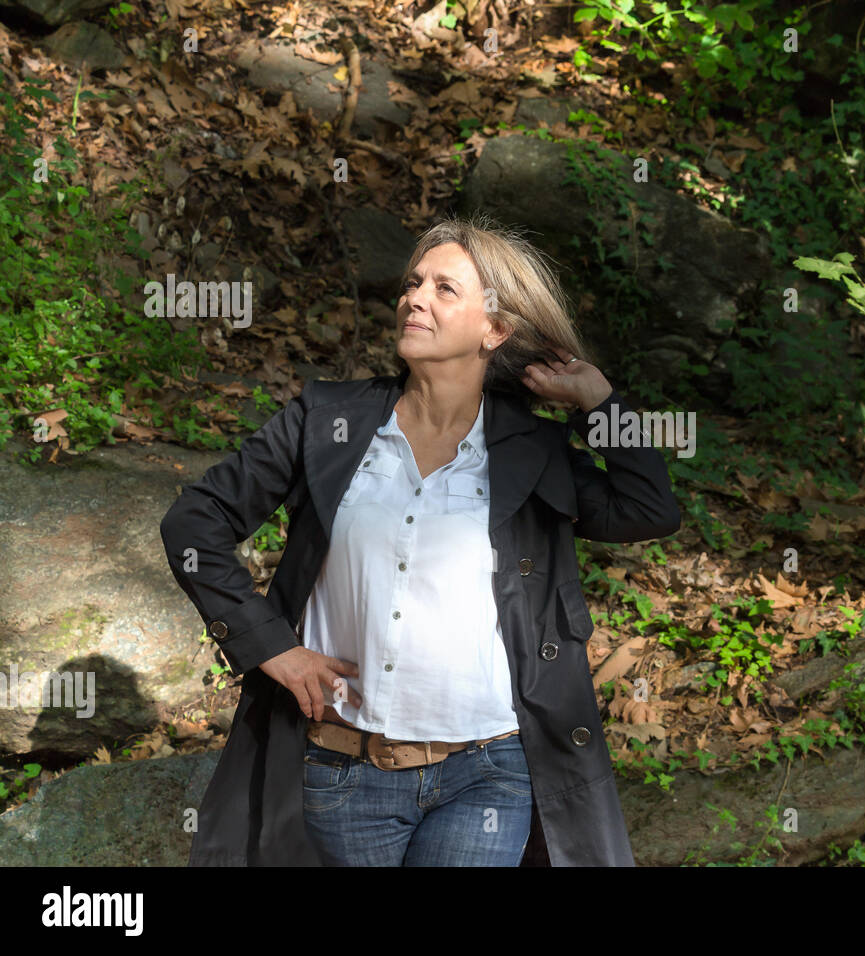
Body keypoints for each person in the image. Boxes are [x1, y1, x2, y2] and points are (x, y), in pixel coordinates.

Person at [161, 213, 682, 865]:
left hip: (489, 773)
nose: (415, 297)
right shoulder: (326, 421)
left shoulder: (531, 450)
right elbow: (194, 523)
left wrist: (598, 399)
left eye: (444, 288)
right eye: (413, 283)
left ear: (495, 329)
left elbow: (649, 507)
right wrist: (273, 647)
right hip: (340, 770)